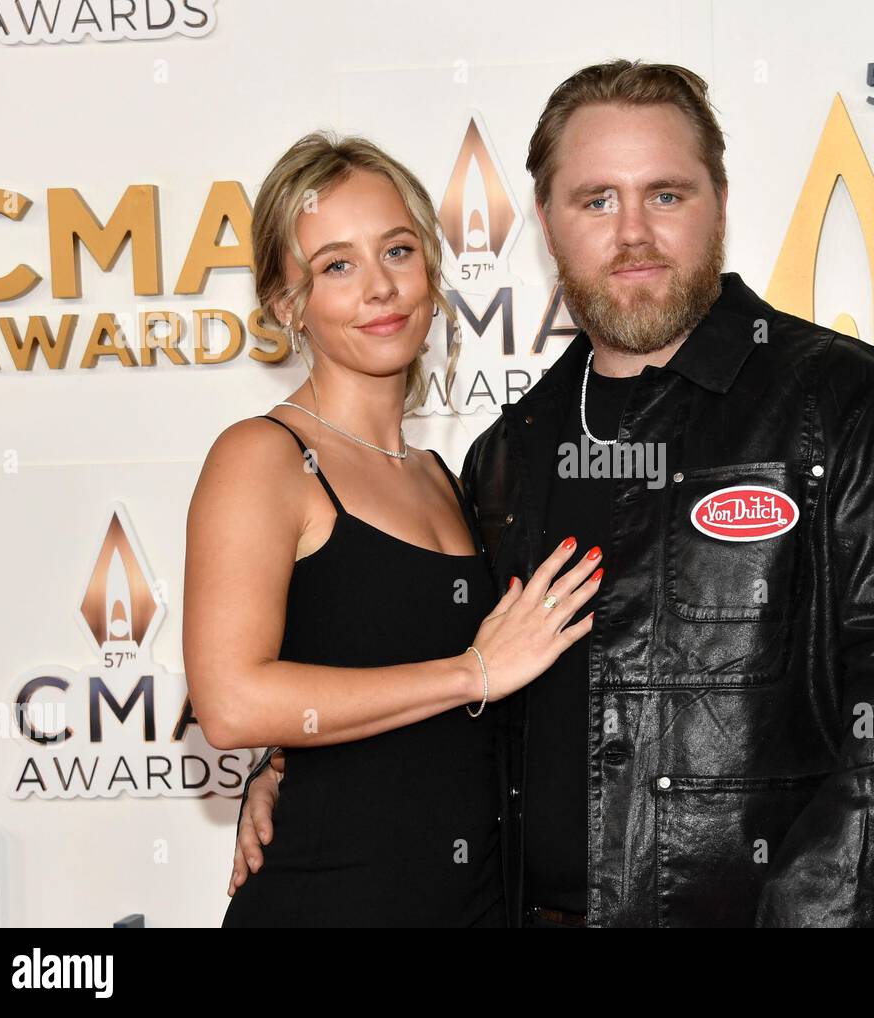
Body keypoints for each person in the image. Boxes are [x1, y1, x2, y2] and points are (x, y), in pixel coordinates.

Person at [231, 61, 874, 928]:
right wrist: (295, 762)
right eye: (596, 201)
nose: (633, 234)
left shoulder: (840, 406)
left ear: (721, 205)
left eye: (665, 195)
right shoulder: (509, 454)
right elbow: (454, 680)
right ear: (546, 222)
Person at [184, 131, 601, 927]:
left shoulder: (451, 478)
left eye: (398, 251)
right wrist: (469, 671)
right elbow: (230, 702)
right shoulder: (264, 458)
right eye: (337, 265)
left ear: (432, 272)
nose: (379, 287)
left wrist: (277, 764)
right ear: (287, 303)